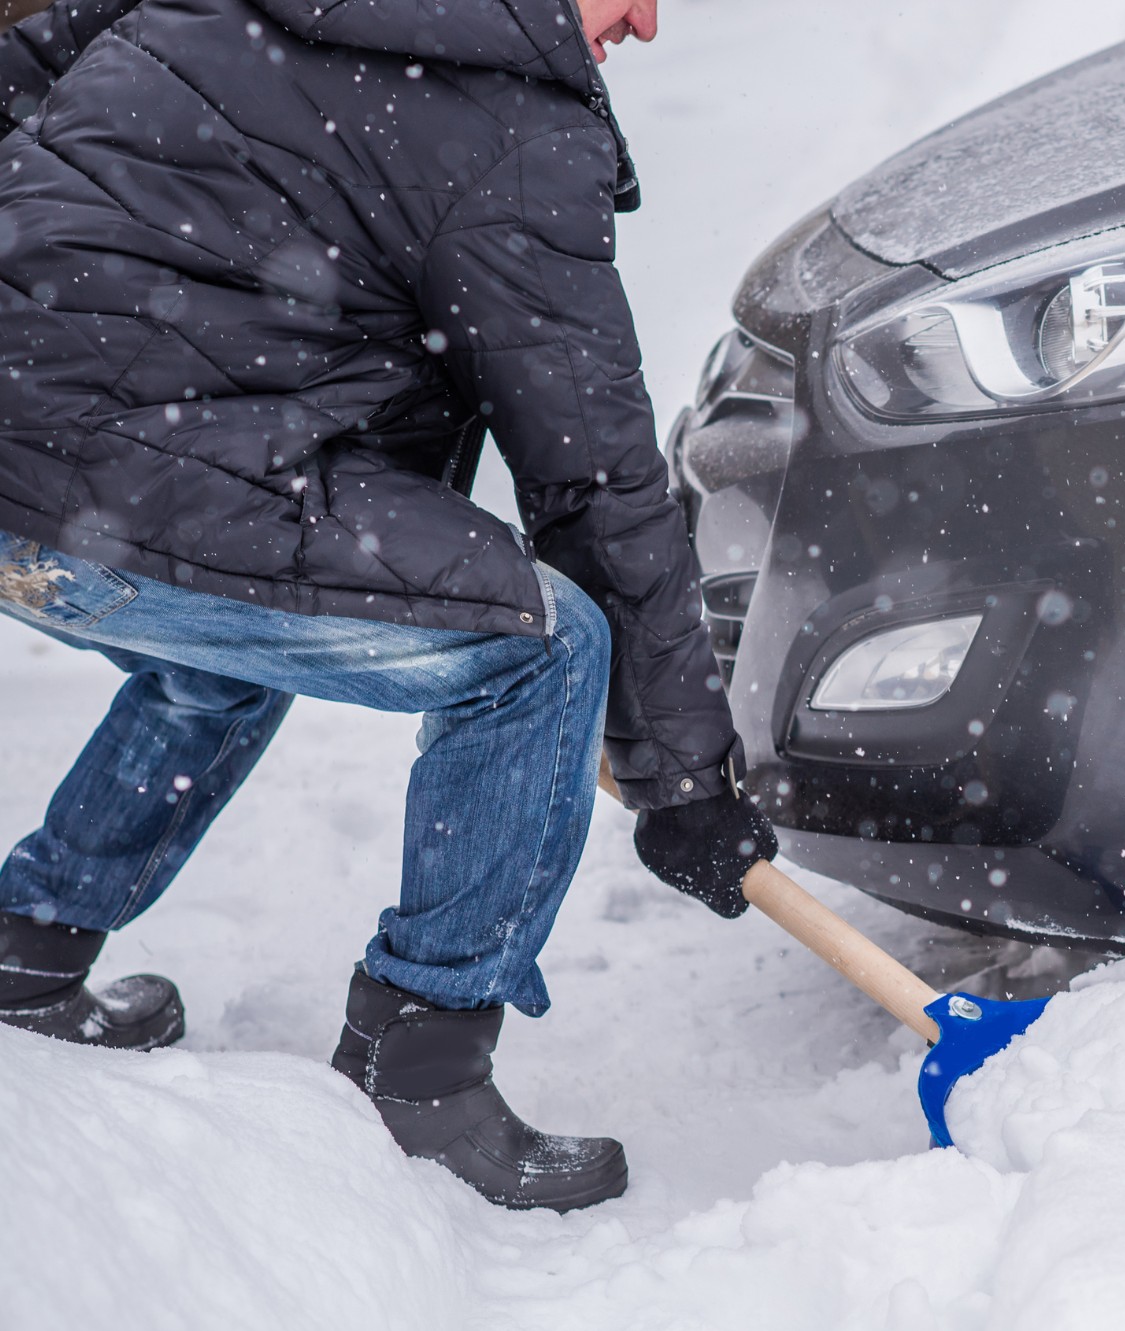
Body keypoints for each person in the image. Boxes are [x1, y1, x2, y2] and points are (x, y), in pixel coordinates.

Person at [0, 0, 776, 1213]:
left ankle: (26, 950)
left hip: (37, 483)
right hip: (118, 493)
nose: (650, 22)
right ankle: (419, 1073)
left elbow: (21, 70)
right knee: (546, 646)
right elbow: (593, 479)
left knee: (233, 627)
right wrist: (681, 779)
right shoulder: (512, 124)